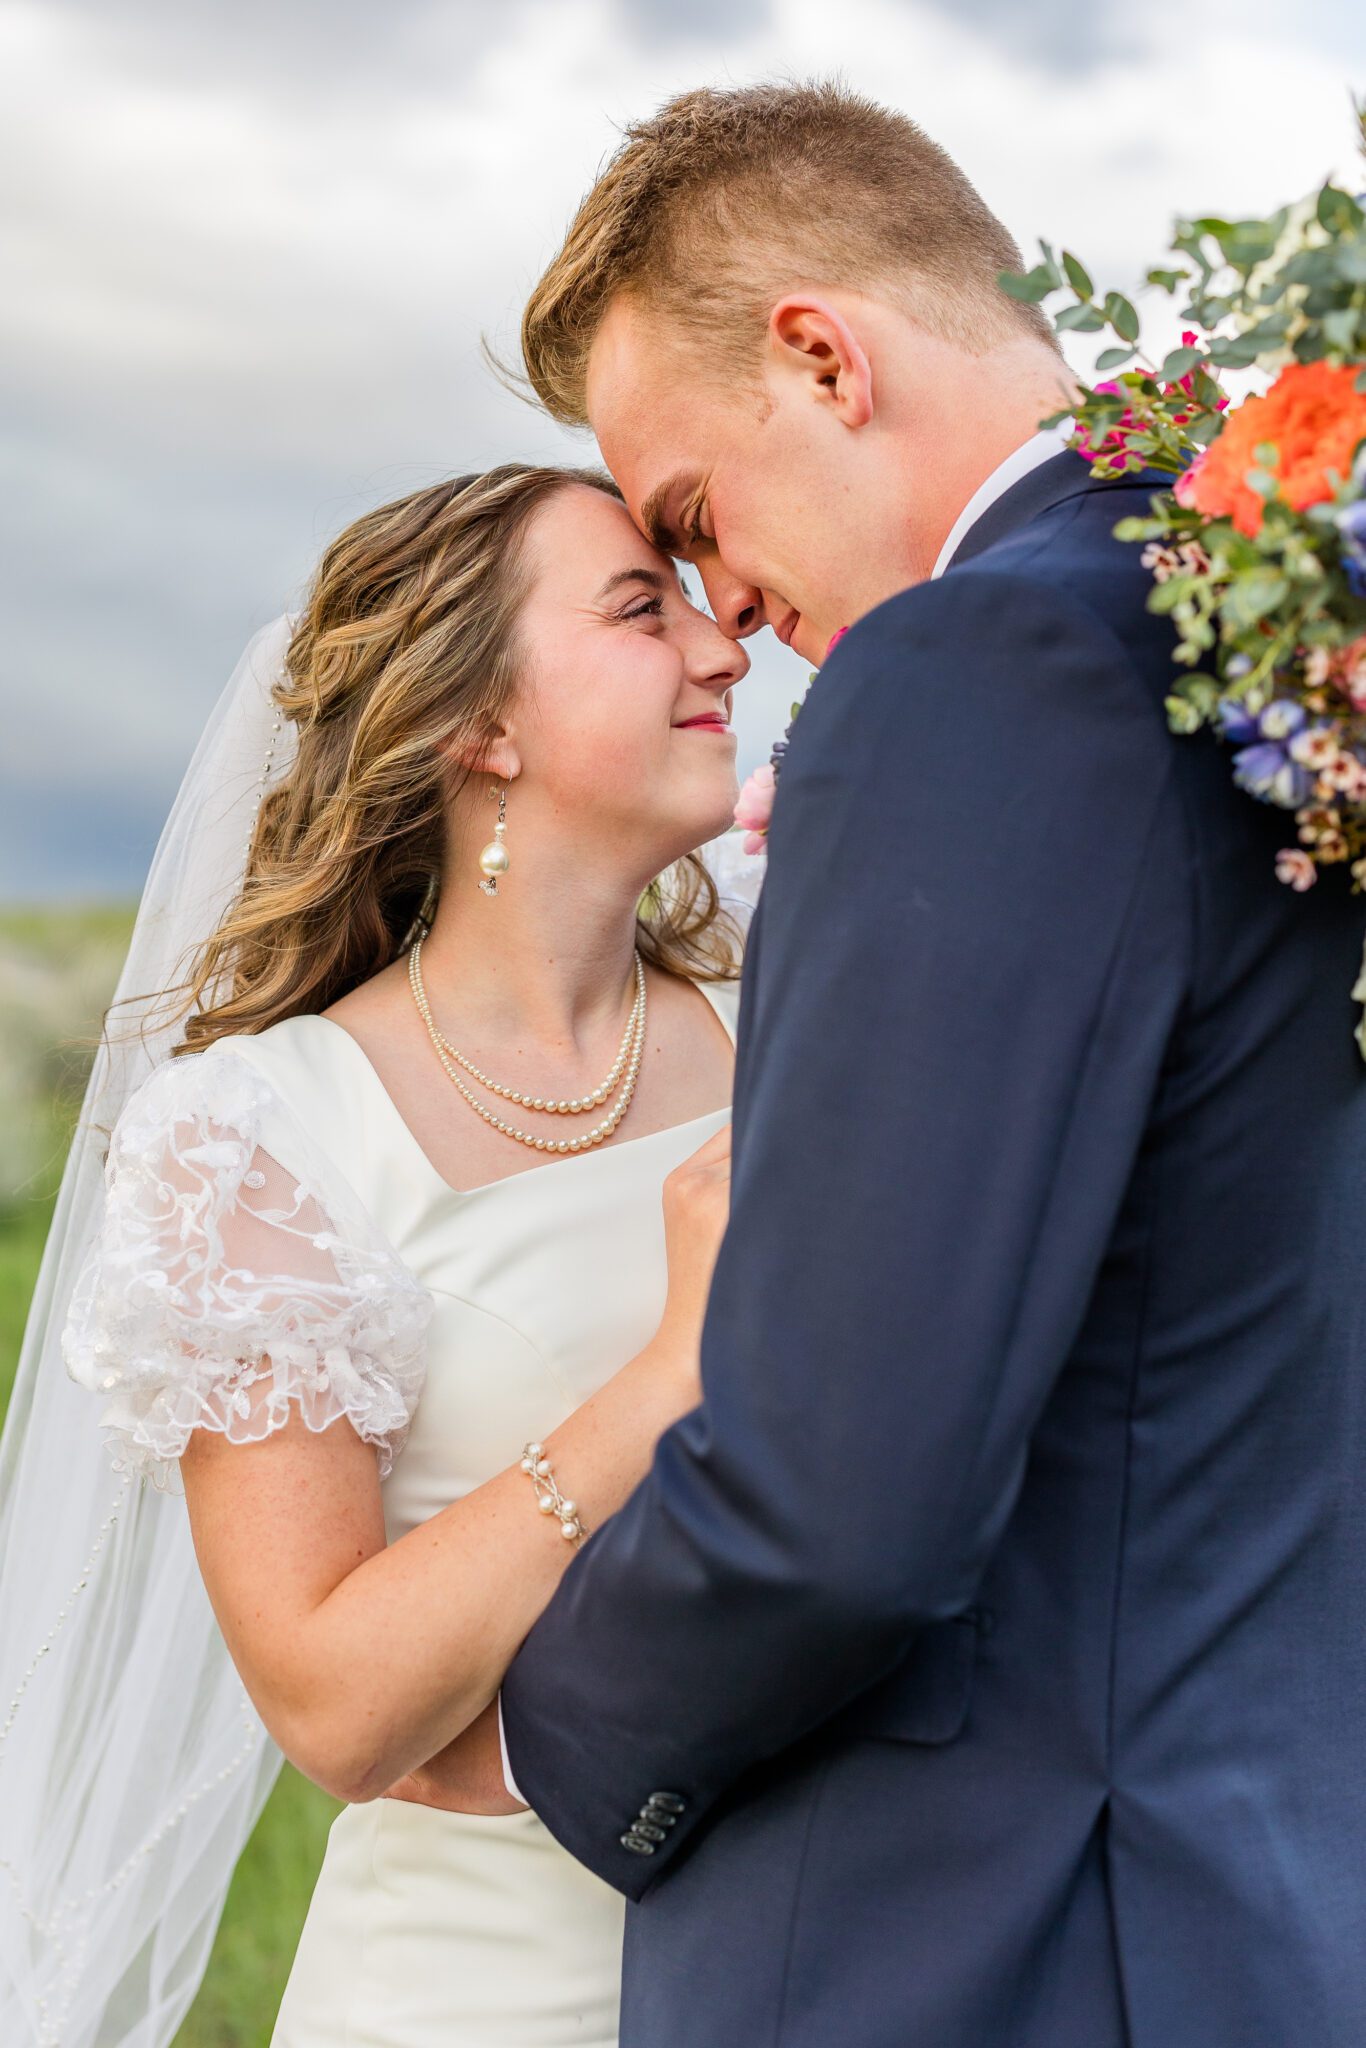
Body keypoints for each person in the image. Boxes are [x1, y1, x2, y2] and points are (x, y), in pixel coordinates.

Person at [431, 82, 1366, 2048]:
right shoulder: (1282, 648)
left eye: (690, 517)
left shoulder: (971, 675)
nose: (727, 618)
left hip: (988, 1943)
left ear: (821, 357)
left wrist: (548, 1735)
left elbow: (844, 1490)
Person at [0, 462, 760, 2047]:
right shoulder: (264, 1138)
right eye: (640, 608)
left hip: (836, 1950)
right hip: (482, 1988)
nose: (721, 648)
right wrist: (673, 1375)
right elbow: (339, 1704)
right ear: (475, 727)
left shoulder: (797, 1025)